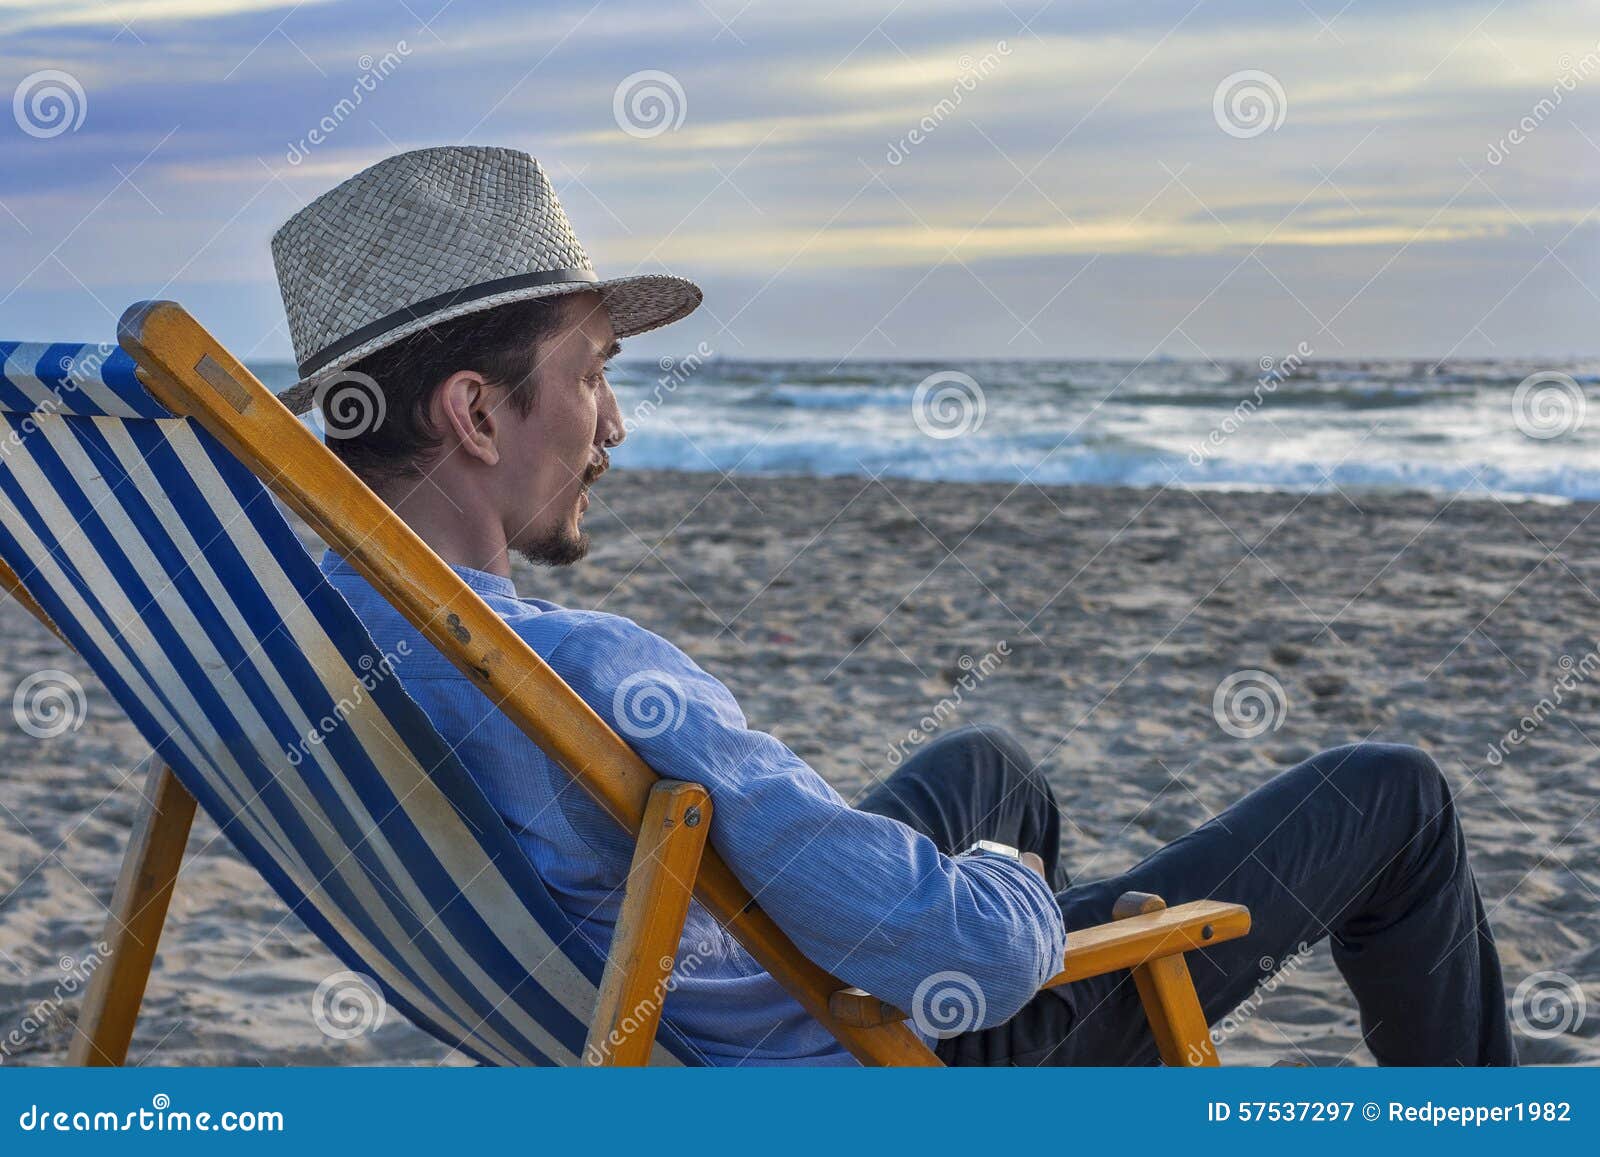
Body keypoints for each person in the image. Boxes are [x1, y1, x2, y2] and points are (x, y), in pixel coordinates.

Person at [271, 146, 1516, 1066]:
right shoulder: (583, 666)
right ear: (477, 412)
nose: (614, 424)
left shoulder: (297, 636)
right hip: (848, 1056)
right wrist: (991, 882)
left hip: (674, 1003)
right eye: (590, 375)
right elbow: (961, 952)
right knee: (1390, 791)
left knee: (991, 764)